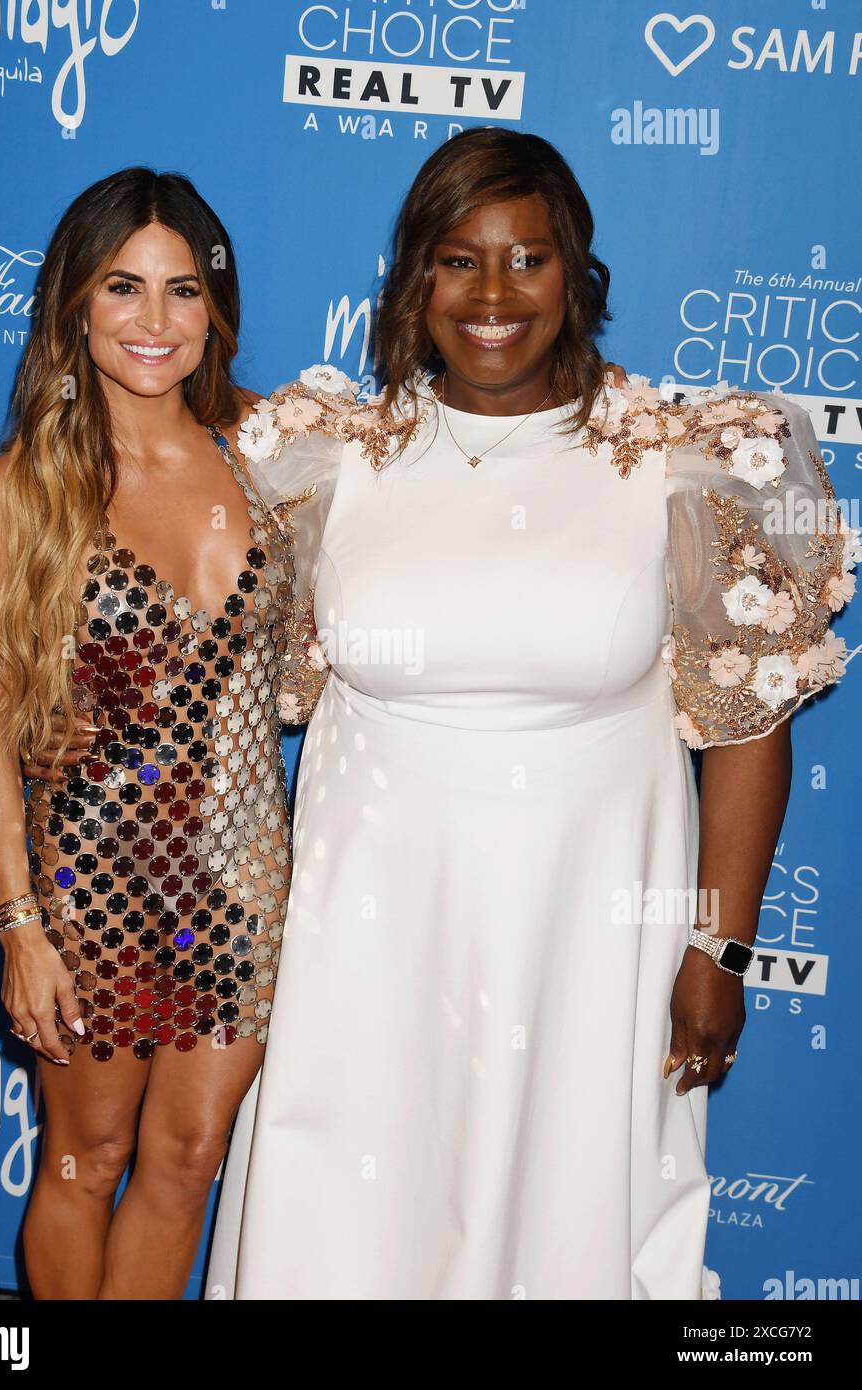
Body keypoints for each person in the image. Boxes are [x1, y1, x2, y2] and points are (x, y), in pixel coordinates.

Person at [198, 128, 856, 1299]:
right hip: (369, 935)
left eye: (528, 260)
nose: (493, 295)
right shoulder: (329, 460)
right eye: (458, 261)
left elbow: (749, 730)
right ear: (415, 278)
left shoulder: (679, 462)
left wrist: (717, 948)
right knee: (348, 1210)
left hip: (590, 935)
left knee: (569, 1215)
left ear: (578, 274)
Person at [0, 167, 296, 1299]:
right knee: (85, 1156)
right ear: (75, 306)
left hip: (242, 887)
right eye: (123, 288)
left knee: (189, 1159)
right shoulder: (24, 488)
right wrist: (21, 928)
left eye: (184, 290)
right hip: (93, 890)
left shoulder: (273, 459)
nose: (156, 321)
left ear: (216, 308)